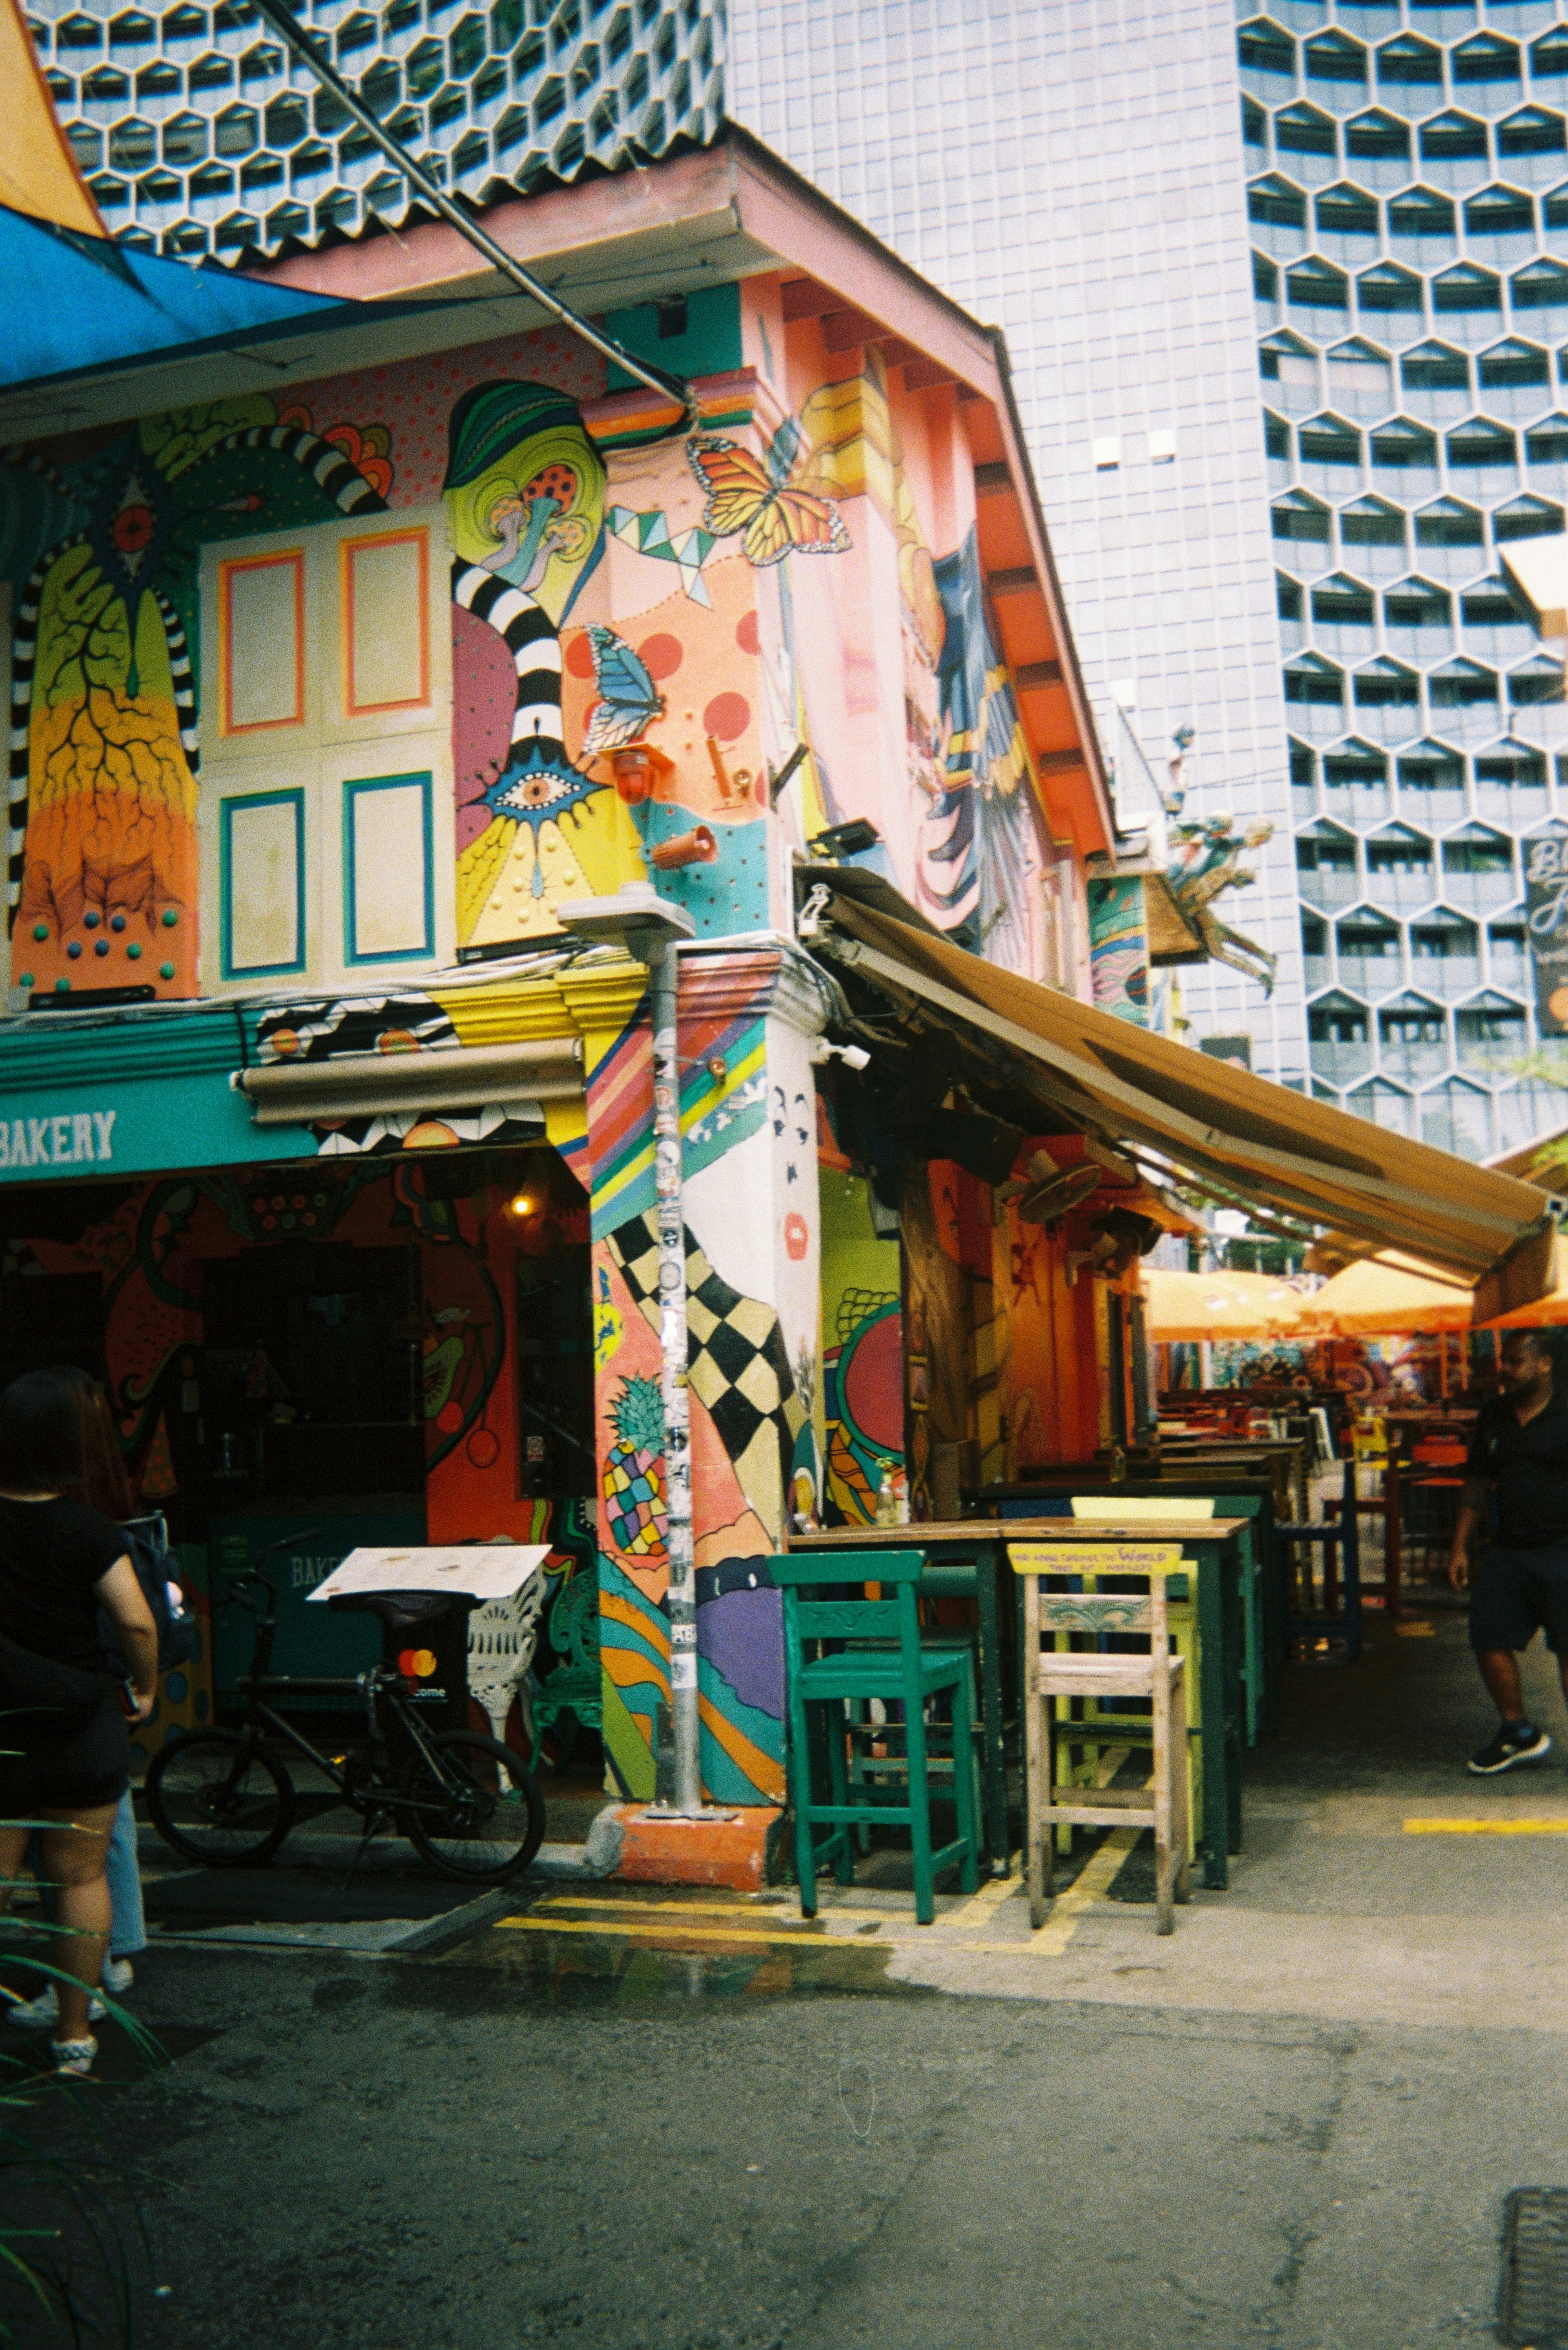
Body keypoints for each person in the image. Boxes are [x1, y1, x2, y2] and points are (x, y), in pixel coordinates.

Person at [0, 1370, 157, 2074]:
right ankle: (73, 2035)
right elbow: (136, 1622)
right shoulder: (90, 1530)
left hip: (4, 1728)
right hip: (80, 1726)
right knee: (80, 1879)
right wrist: (144, 1688)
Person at [1448, 1328, 1568, 1775]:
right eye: (1504, 1361)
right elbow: (1477, 1482)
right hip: (1508, 1549)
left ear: (1545, 1363)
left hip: (1562, 1550)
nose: (1505, 1370)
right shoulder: (1495, 1415)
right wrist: (1459, 1547)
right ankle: (1517, 1731)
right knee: (1488, 1637)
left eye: (1516, 1361)